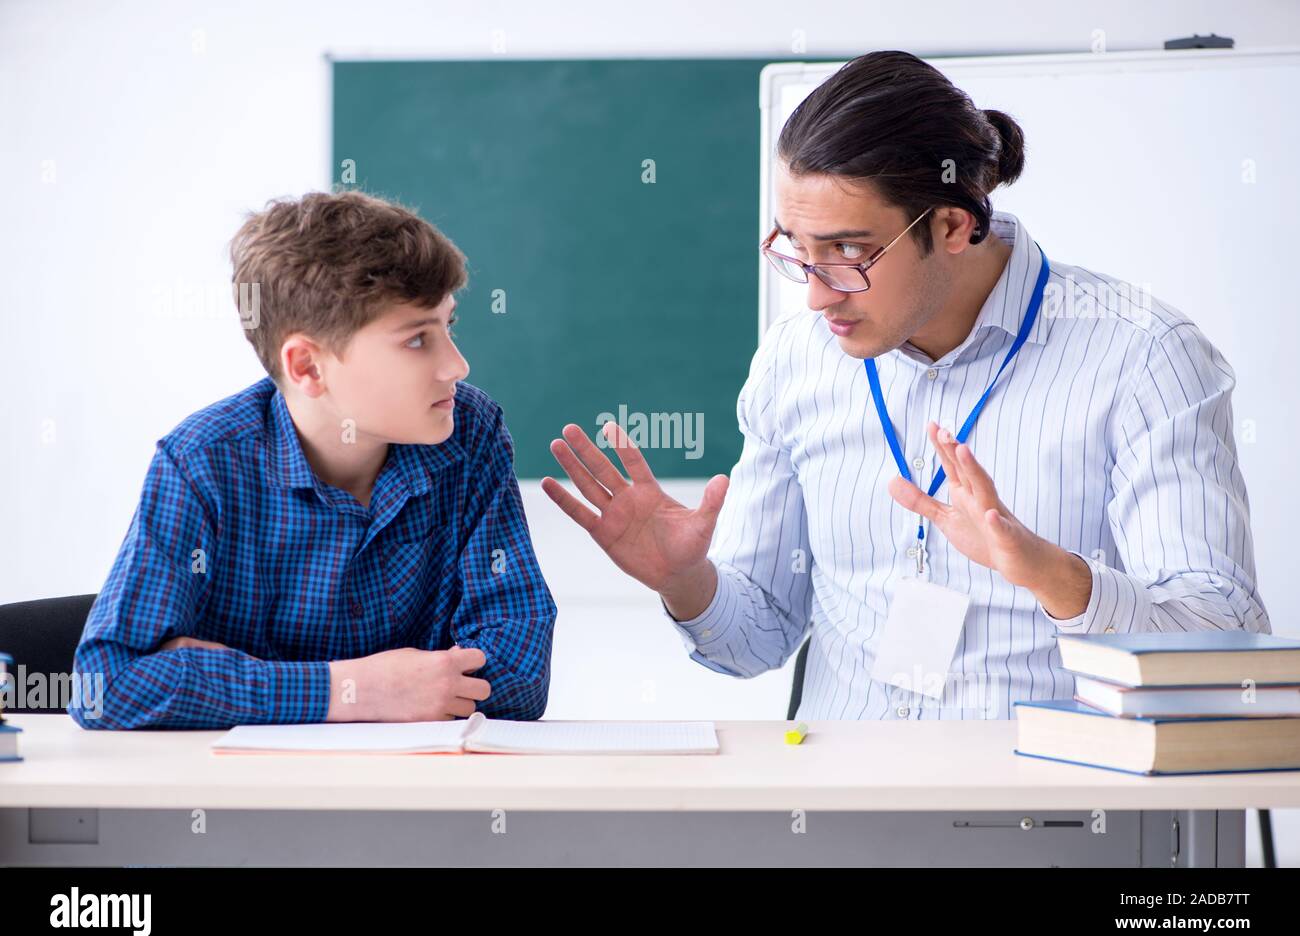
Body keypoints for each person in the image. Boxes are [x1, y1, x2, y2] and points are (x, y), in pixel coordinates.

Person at [542, 50, 1268, 721]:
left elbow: (1223, 645)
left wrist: (1056, 577)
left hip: (1056, 814)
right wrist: (686, 580)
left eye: (848, 252)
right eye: (798, 251)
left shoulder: (1143, 357)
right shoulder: (796, 359)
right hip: (838, 816)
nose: (817, 297)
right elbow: (755, 635)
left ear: (953, 225)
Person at [70, 191, 555, 729]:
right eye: (418, 340)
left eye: (448, 326)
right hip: (246, 798)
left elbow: (522, 674)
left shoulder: (471, 435)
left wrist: (230, 678)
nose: (457, 366)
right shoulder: (203, 461)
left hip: (420, 794)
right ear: (307, 367)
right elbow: (105, 686)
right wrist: (357, 692)